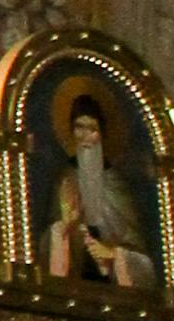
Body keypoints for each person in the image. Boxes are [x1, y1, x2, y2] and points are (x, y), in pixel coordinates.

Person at [41, 85, 158, 289]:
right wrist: (64, 228)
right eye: (79, 127)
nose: (85, 136)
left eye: (92, 129)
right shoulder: (65, 180)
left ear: (102, 134)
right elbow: (44, 247)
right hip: (73, 286)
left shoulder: (117, 185)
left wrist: (113, 254)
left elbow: (144, 262)